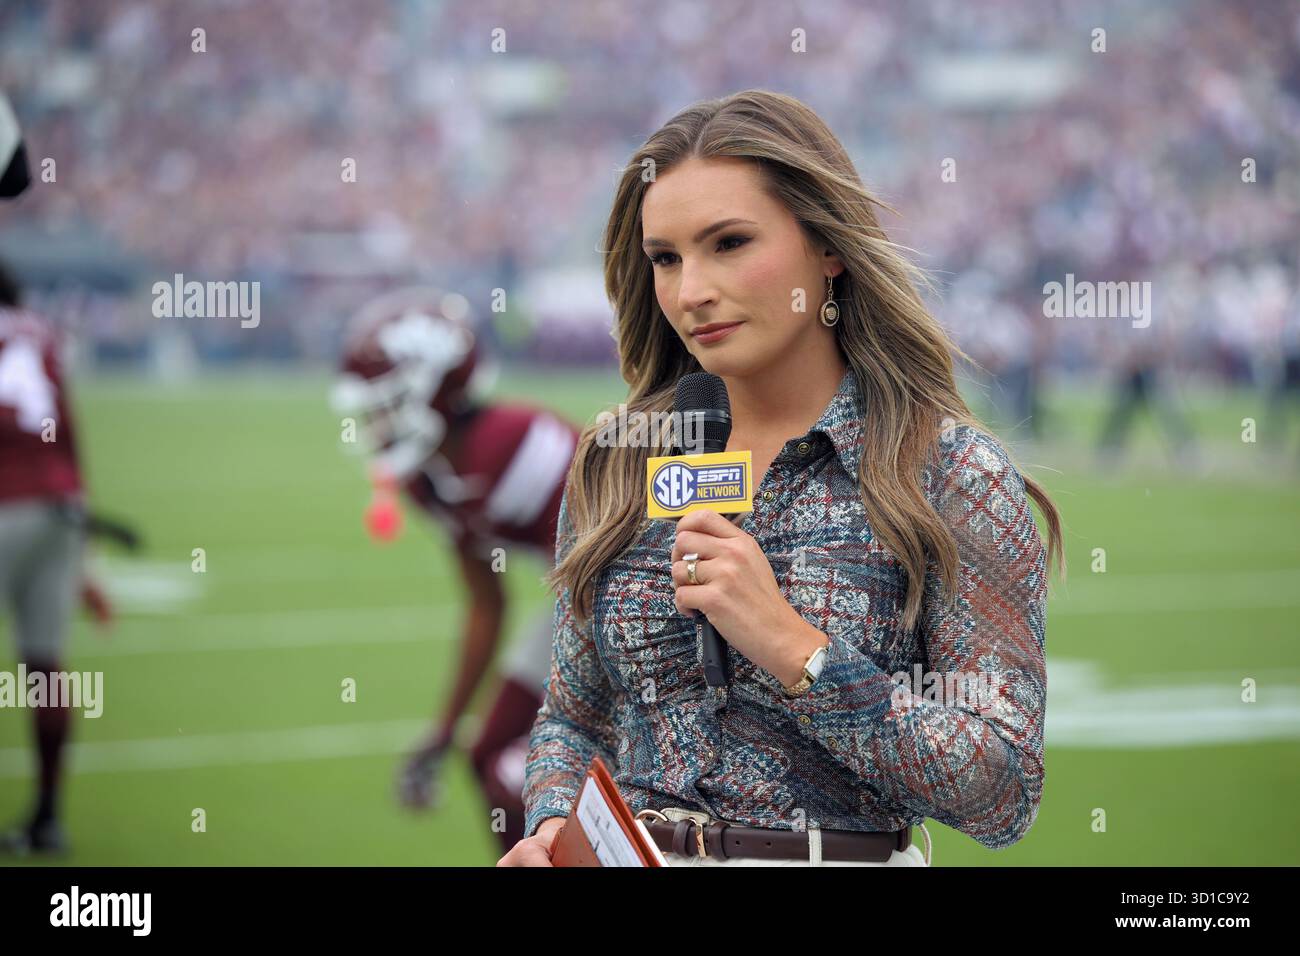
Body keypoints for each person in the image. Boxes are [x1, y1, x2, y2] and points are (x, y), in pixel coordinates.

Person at [499, 90, 1064, 868]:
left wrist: (795, 647)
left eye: (729, 243)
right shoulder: (621, 457)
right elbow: (572, 715)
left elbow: (1003, 790)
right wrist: (551, 828)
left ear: (827, 248)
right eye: (665, 258)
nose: (690, 290)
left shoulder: (946, 472)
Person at [331, 286, 578, 854]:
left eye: (385, 401)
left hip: (632, 604)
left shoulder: (519, 443)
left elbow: (598, 576)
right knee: (486, 754)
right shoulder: (428, 479)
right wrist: (445, 727)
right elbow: (486, 603)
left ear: (432, 388)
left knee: (522, 773)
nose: (373, 421)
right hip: (579, 605)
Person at [0, 262, 115, 855]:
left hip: (5, 498)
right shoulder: (41, 333)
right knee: (44, 667)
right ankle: (48, 818)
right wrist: (85, 560)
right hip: (59, 508)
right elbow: (68, 435)